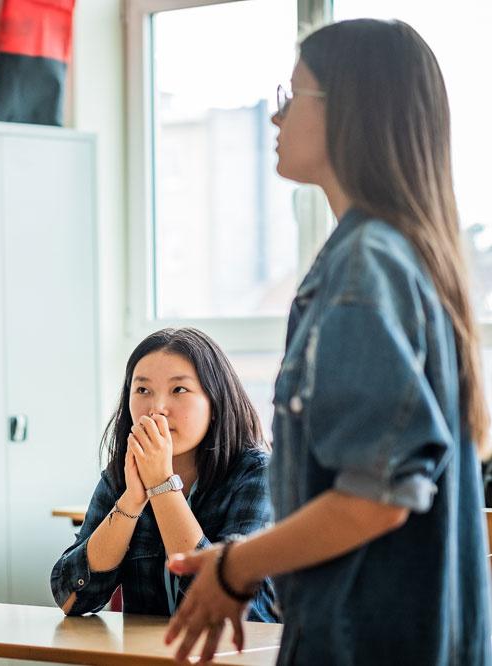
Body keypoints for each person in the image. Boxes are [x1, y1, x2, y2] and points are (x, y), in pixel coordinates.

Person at [165, 19, 491, 665]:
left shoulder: (365, 268)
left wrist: (234, 565)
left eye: (292, 96)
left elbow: (378, 496)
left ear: (352, 110)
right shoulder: (387, 255)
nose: (274, 119)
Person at [50, 328, 275, 620]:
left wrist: (161, 485)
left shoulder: (258, 475)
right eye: (142, 390)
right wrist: (131, 501)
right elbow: (70, 600)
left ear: (215, 401)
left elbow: (236, 613)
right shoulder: (121, 477)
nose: (157, 408)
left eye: (179, 390)